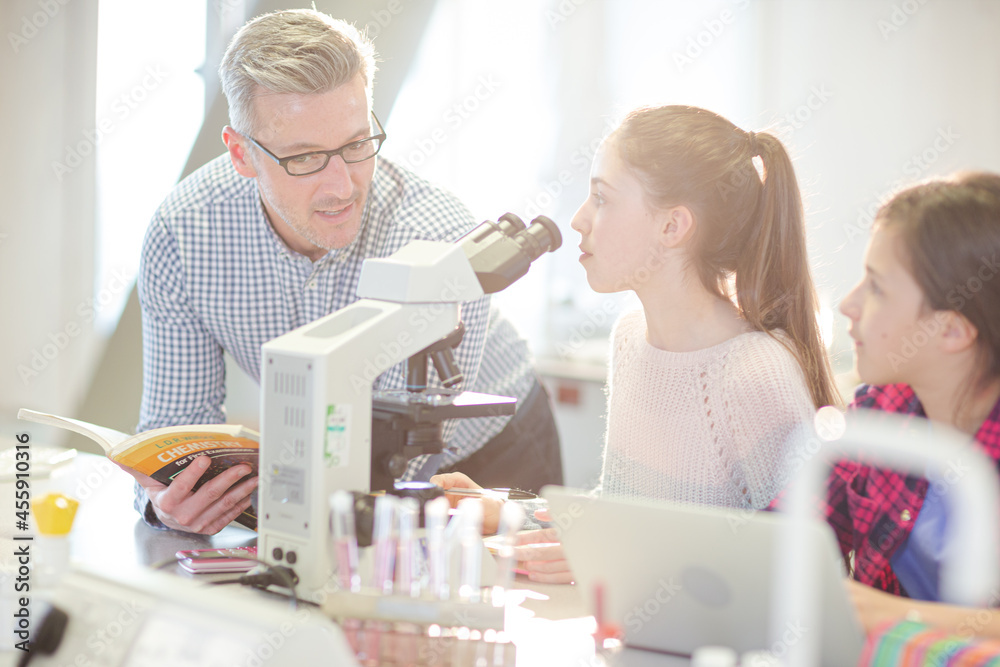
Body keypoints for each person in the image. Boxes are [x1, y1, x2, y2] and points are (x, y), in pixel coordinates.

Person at [129, 9, 562, 534]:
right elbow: (174, 425)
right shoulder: (184, 233)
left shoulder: (436, 234)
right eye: (306, 157)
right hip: (331, 468)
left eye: (357, 145)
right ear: (242, 154)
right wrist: (165, 502)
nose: (342, 186)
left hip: (484, 451)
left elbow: (404, 448)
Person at [434, 105, 839, 582]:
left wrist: (623, 559)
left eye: (601, 199)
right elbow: (624, 512)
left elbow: (805, 567)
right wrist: (504, 509)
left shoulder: (756, 373)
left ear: (672, 226)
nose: (579, 221)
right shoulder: (630, 339)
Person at [826, 171, 1000, 635]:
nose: (848, 304)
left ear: (951, 330)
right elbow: (785, 533)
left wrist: (894, 617)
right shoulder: (880, 411)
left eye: (877, 288)